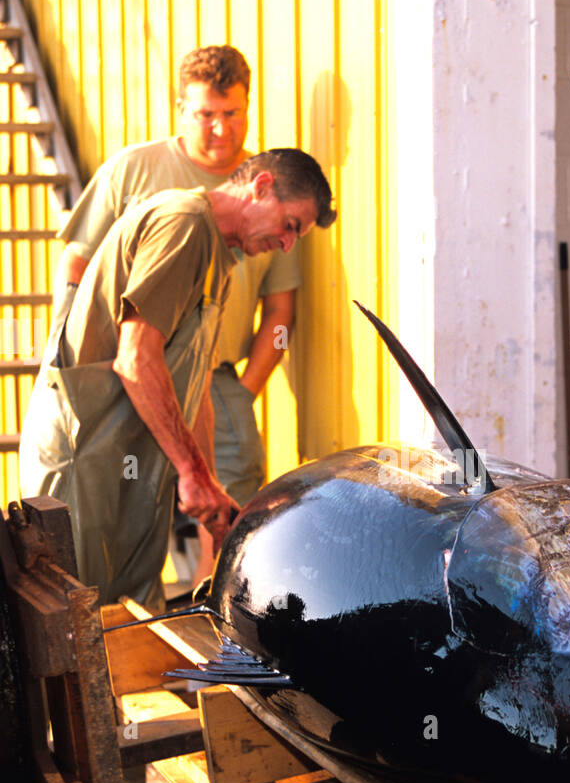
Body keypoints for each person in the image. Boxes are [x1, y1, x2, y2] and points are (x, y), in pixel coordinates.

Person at [19, 148, 336, 611]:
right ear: (261, 186)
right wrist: (189, 473)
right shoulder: (185, 223)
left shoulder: (223, 260)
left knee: (129, 617)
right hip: (84, 451)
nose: (288, 245)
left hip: (129, 463)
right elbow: (135, 358)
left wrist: (207, 483)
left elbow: (198, 389)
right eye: (290, 225)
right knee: (76, 621)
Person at [56, 45, 302, 538]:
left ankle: (206, 605)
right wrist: (72, 364)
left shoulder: (275, 198)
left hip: (218, 382)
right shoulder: (133, 171)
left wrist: (246, 388)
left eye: (232, 113)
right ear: (181, 110)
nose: (220, 128)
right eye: (205, 113)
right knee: (125, 506)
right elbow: (77, 262)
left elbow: (279, 314)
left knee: (230, 520)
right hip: (124, 374)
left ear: (248, 108)